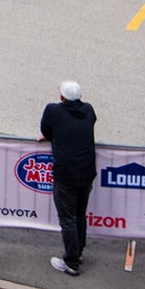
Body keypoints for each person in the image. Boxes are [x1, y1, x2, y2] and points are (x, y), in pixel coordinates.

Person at [41, 80, 97, 277]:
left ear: (61, 97)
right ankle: (78, 252)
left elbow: (46, 130)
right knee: (80, 214)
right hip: (87, 172)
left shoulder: (53, 110)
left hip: (66, 174)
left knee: (68, 219)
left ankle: (72, 262)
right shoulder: (88, 109)